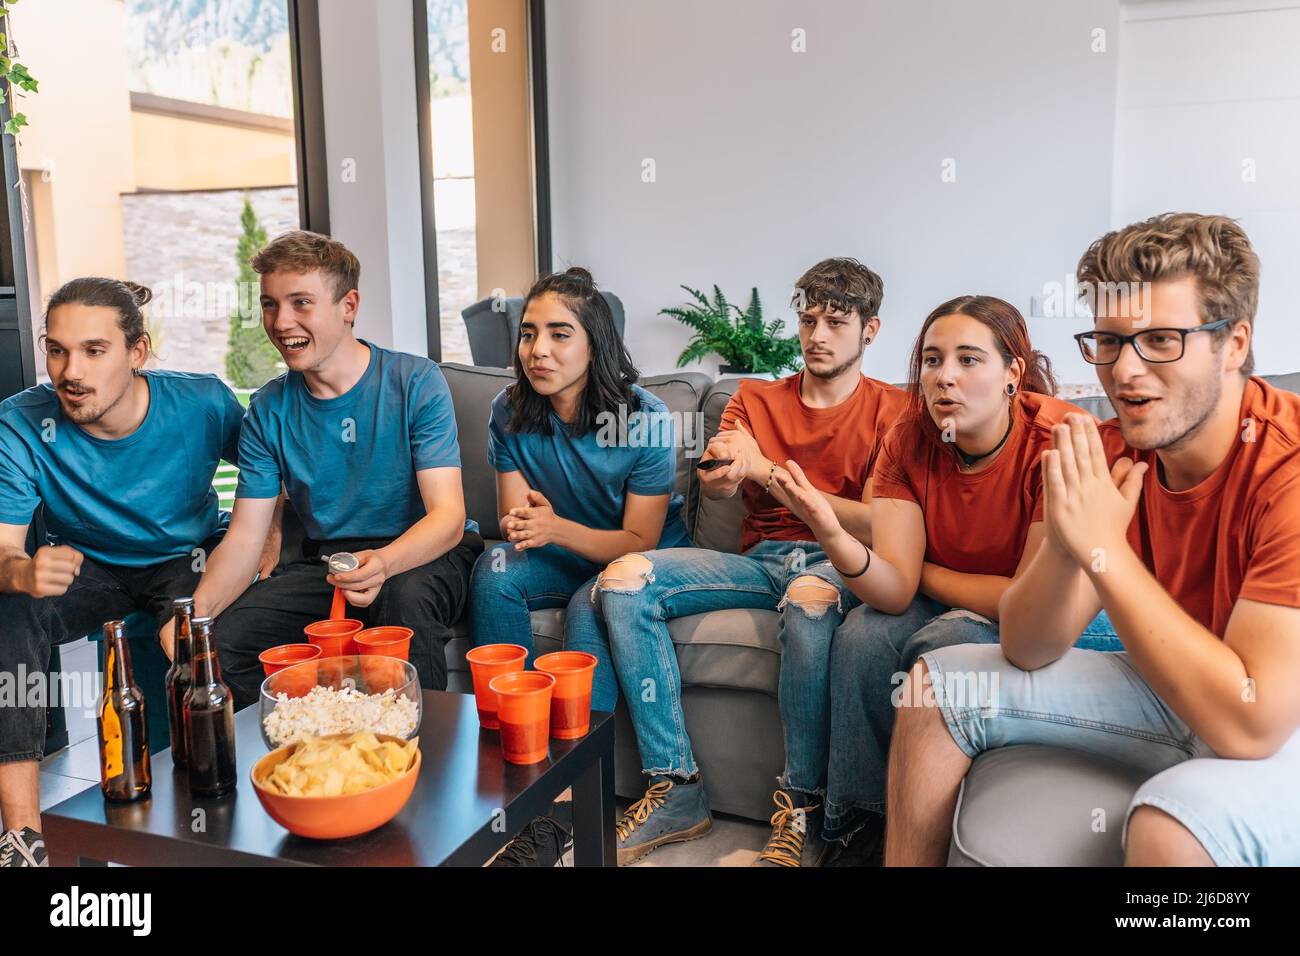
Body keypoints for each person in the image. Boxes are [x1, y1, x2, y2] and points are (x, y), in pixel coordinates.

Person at [887, 212, 1300, 867]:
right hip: (1172, 689)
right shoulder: (1108, 450)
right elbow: (1026, 645)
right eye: (1108, 341)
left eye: (1160, 339)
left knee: (1170, 828)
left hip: (1278, 717)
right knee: (935, 689)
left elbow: (1252, 722)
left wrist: (1105, 549)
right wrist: (1068, 542)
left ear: (1236, 342)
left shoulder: (1286, 465)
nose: (1125, 372)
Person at [775, 295, 1113, 866]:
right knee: (861, 635)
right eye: (932, 360)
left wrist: (924, 569)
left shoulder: (1058, 438)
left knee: (942, 641)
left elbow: (1018, 602)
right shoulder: (908, 439)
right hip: (951, 597)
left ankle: (922, 842)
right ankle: (854, 831)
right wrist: (831, 530)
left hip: (1048, 617)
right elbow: (894, 590)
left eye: (968, 360)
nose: (944, 378)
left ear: (1013, 373)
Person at [597, 258, 908, 866]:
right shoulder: (755, 398)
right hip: (759, 560)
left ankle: (804, 809)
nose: (817, 336)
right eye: (809, 319)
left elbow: (881, 523)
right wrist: (722, 471)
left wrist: (768, 471)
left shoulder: (895, 411)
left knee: (810, 602)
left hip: (836, 565)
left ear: (870, 331)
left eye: (836, 323)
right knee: (624, 579)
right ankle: (675, 788)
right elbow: (719, 489)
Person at [0, 278, 260, 867]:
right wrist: (22, 574)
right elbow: (4, 551)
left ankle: (222, 825)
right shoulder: (20, 423)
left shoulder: (201, 403)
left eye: (95, 350)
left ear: (137, 353)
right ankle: (23, 838)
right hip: (89, 564)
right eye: (57, 349)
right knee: (9, 606)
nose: (71, 371)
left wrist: (266, 541)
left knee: (187, 640)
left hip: (184, 558)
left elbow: (269, 474)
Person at [176, 230, 482, 708]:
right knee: (228, 639)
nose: (281, 321)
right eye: (271, 305)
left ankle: (422, 763)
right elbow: (243, 541)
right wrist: (198, 616)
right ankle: (304, 755)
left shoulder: (416, 382)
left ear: (348, 305)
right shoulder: (266, 411)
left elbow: (447, 517)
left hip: (424, 552)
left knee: (405, 602)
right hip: (330, 563)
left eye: (301, 302)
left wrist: (382, 563)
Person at [470, 266, 690, 706]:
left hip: (640, 562)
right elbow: (516, 523)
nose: (538, 351)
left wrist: (553, 529)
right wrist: (532, 527)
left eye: (560, 334)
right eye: (528, 334)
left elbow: (639, 540)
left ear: (595, 344)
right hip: (563, 556)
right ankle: (515, 728)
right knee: (494, 572)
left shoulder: (644, 419)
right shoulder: (508, 411)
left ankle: (583, 767)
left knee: (587, 609)